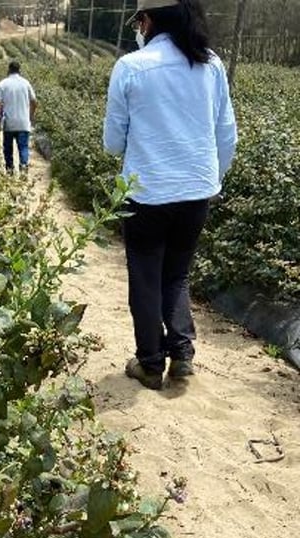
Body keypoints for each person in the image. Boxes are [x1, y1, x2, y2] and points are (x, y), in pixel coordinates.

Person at [103, 0, 237, 390]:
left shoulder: (131, 66)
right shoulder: (211, 65)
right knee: (176, 275)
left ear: (147, 21)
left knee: (145, 275)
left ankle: (149, 363)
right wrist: (211, 178)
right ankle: (181, 354)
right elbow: (226, 135)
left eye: (138, 22)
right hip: (197, 191)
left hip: (147, 193)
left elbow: (113, 143)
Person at [0, 61, 37, 174]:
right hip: (23, 122)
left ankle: (10, 170)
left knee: (8, 148)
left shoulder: (3, 84)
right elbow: (34, 101)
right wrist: (31, 116)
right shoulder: (25, 83)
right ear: (20, 70)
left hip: (9, 122)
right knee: (23, 147)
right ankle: (24, 167)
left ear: (8, 70)